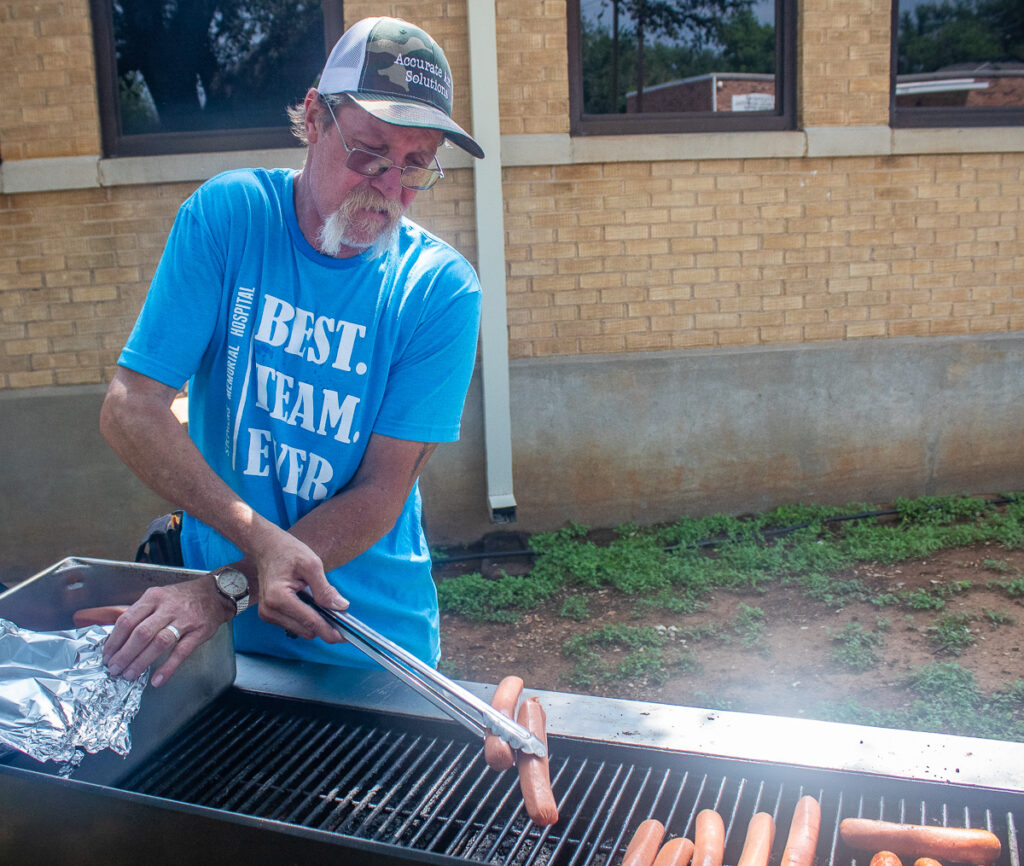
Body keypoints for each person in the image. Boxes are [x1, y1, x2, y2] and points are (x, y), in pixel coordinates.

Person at [99, 16, 484, 687]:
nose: (389, 188)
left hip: (366, 643)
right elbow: (131, 409)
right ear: (313, 117)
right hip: (215, 645)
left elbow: (380, 492)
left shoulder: (441, 290)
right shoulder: (230, 217)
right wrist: (248, 558)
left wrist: (225, 589)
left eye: (416, 165)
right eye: (369, 152)